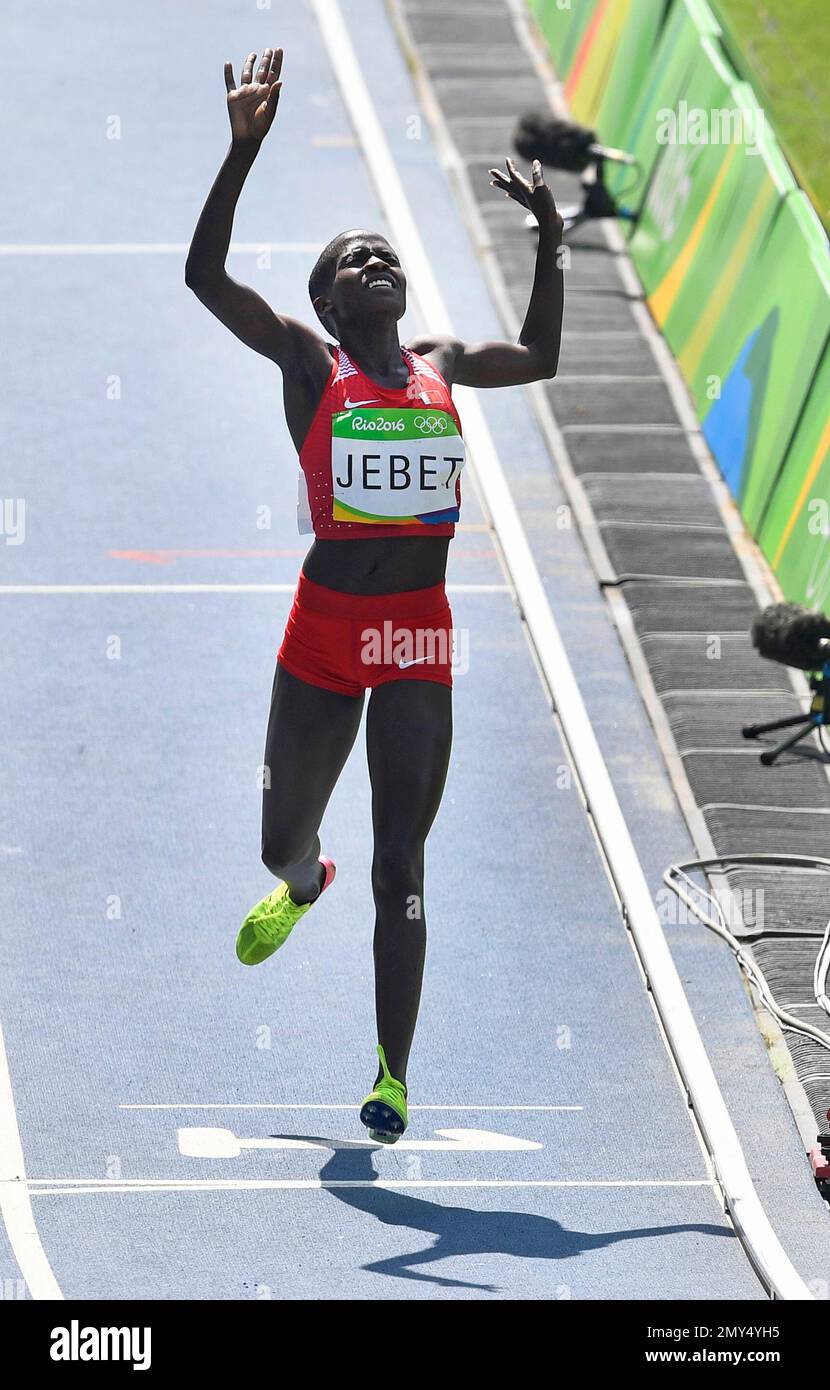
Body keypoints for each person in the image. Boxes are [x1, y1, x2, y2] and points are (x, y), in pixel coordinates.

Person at [185, 46, 564, 1142]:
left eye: (389, 255)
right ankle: (302, 883)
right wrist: (240, 151)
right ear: (326, 298)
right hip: (322, 632)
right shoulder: (309, 365)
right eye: (358, 260)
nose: (380, 262)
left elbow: (537, 355)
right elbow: (207, 283)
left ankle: (392, 1074)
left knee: (403, 858)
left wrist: (548, 241)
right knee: (278, 841)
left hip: (414, 639)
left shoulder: (442, 363)